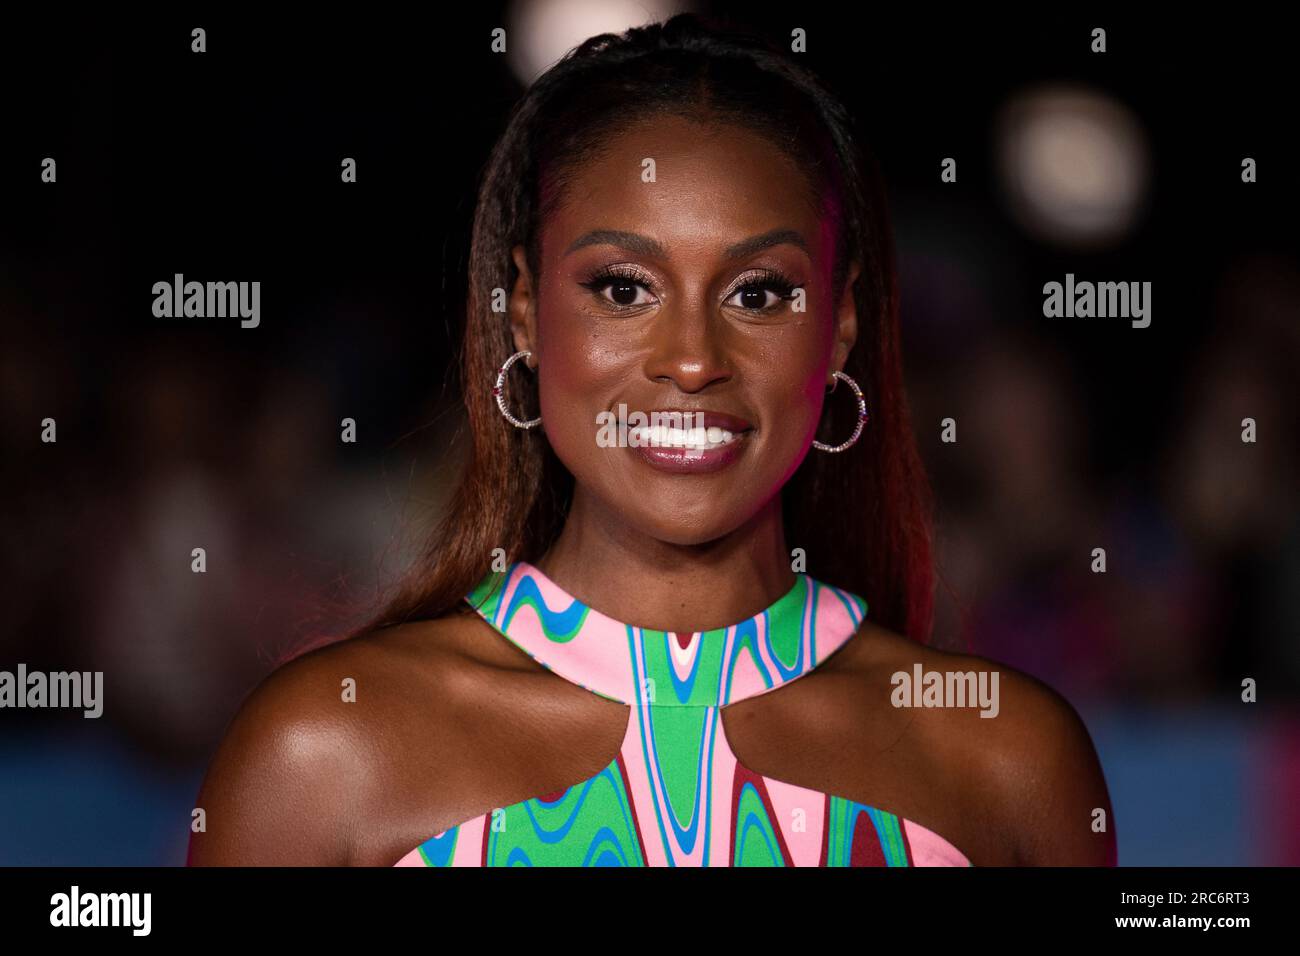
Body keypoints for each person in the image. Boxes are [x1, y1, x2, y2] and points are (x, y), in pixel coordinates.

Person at [188, 13, 1116, 867]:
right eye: (623, 287)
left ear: (838, 329)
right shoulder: (320, 754)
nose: (691, 360)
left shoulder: (1008, 758)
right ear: (522, 314)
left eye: (758, 293)